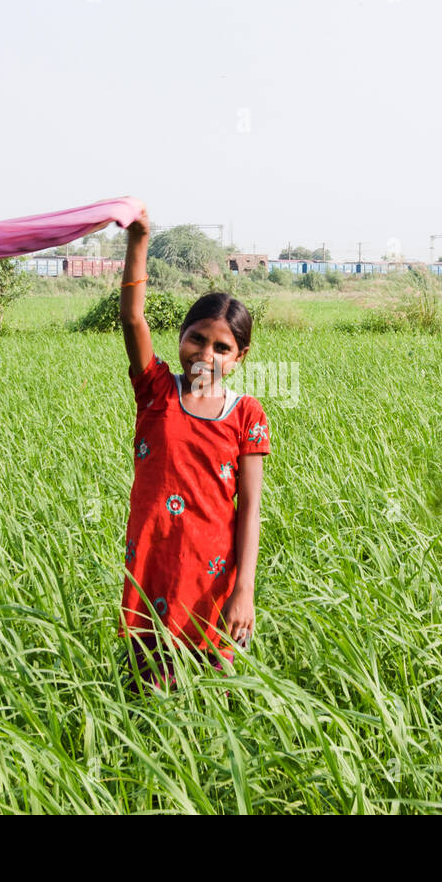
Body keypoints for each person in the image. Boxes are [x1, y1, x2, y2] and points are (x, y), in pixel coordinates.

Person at [117, 202, 271, 693]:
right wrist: (139, 238)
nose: (205, 354)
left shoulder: (246, 415)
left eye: (221, 347)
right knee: (147, 695)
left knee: (211, 701)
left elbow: (250, 509)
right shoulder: (157, 390)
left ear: (239, 357)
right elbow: (132, 317)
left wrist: (244, 590)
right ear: (181, 337)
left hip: (212, 578)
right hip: (154, 568)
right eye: (196, 339)